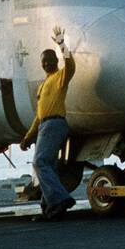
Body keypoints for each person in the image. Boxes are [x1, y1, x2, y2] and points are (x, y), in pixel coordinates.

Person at [19, 27, 77, 221]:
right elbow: (38, 115)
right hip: (45, 125)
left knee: (40, 162)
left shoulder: (60, 77)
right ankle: (51, 210)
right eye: (44, 61)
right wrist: (28, 136)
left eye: (50, 60)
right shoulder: (43, 85)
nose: (46, 63)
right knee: (48, 167)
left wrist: (62, 44)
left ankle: (60, 199)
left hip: (54, 124)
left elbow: (70, 66)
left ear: (56, 61)